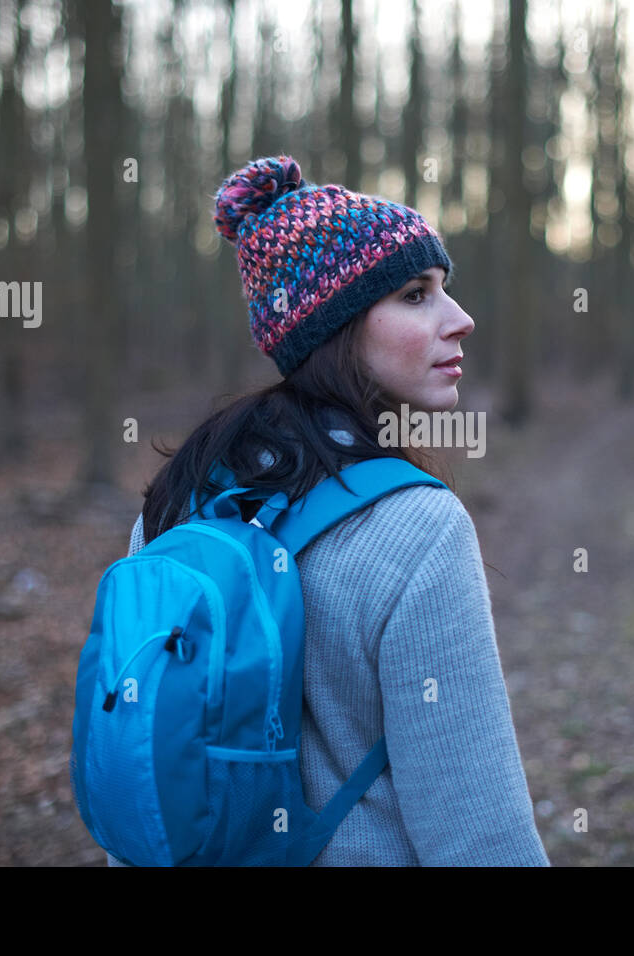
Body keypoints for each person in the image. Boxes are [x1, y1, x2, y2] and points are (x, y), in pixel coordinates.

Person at [107, 155, 549, 866]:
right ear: (334, 327)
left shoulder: (176, 510)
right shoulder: (418, 529)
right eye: (415, 295)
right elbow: (477, 834)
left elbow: (141, 773)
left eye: (446, 290)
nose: (460, 320)